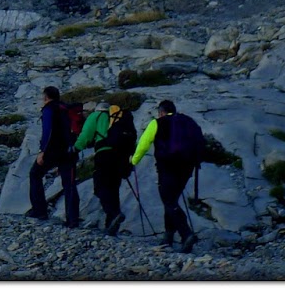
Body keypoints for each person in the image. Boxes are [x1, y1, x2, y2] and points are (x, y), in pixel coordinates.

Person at [131, 99, 203, 251]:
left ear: (161, 112)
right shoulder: (188, 122)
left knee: (169, 201)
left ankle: (186, 233)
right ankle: (168, 237)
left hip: (167, 167)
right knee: (171, 200)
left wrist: (134, 160)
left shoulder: (157, 123)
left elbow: (144, 144)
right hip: (187, 168)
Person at [76, 101, 136, 236]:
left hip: (104, 154)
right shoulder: (119, 119)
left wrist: (75, 148)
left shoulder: (96, 116)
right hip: (121, 156)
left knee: (100, 187)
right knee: (113, 188)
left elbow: (86, 135)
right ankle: (111, 225)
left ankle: (114, 214)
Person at [27, 85, 79, 228]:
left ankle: (39, 211)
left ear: (46, 97)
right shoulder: (66, 109)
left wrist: (42, 151)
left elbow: (48, 132)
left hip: (53, 151)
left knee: (35, 174)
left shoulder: (49, 109)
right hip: (69, 151)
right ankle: (72, 220)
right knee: (69, 185)